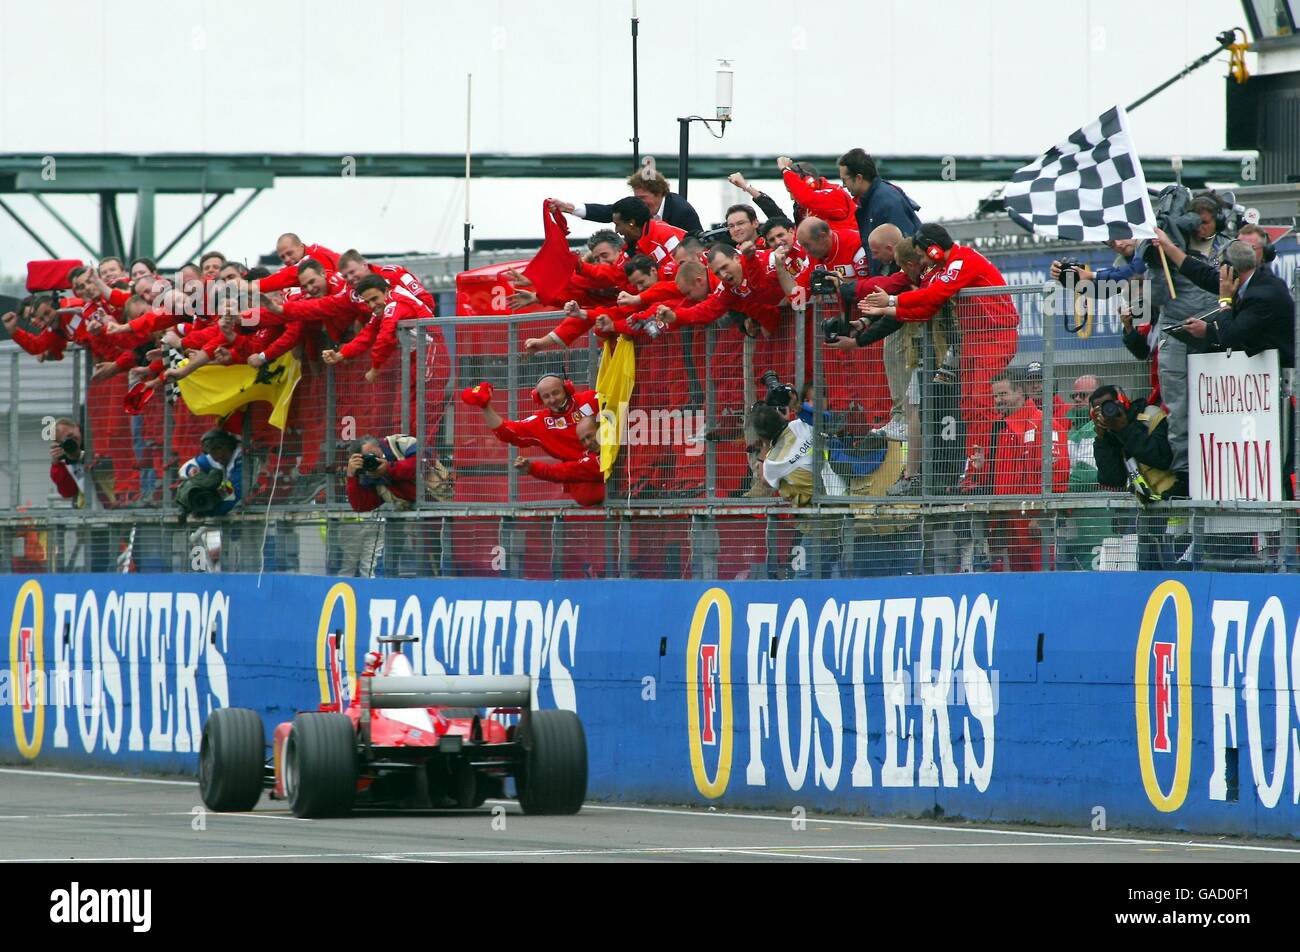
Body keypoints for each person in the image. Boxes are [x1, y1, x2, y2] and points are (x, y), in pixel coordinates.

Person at [857, 222, 1019, 493]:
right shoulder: (942, 270)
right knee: (970, 406)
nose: (920, 262)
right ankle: (975, 473)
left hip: (994, 336)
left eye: (921, 255)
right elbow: (925, 308)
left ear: (932, 249)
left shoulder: (962, 260)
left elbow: (933, 295)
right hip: (974, 339)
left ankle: (987, 474)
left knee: (981, 405)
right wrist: (886, 311)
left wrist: (892, 302)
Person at [460, 374, 602, 505]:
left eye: (556, 393)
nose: (552, 399)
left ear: (567, 389)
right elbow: (506, 432)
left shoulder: (590, 399)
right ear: (538, 399)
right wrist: (485, 406)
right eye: (546, 396)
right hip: (585, 479)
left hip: (615, 463)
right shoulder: (540, 422)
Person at [1090, 384, 1183, 570]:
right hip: (1146, 509)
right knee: (1147, 567)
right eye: (1099, 410)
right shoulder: (1111, 434)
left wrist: (1124, 429)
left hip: (1175, 505)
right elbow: (1112, 478)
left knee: (1177, 567)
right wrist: (1102, 439)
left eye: (1109, 405)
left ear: (1122, 400)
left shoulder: (1151, 415)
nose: (1107, 413)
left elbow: (1162, 457)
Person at [342, 433, 423, 576]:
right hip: (408, 517)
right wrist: (351, 476)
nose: (372, 460)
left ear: (380, 445)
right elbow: (361, 505)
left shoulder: (400, 443)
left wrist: (389, 469)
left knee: (433, 556)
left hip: (436, 504)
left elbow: (421, 463)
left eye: (373, 454)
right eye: (366, 458)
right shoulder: (370, 475)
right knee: (389, 561)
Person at [837, 148, 922, 275]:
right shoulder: (871, 201)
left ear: (859, 178)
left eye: (845, 180)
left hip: (898, 284)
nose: (843, 185)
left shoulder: (886, 202)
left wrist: (890, 284)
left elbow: (906, 248)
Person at [551, 166, 703, 234]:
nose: (639, 203)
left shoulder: (681, 211)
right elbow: (609, 212)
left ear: (658, 193)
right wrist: (567, 208)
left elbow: (698, 242)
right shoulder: (640, 206)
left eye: (643, 198)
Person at [512, 414, 605, 506]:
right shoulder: (592, 455)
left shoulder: (604, 456)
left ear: (601, 429)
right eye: (583, 441)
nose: (588, 443)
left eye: (589, 436)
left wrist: (532, 468)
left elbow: (565, 471)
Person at [776, 156, 858, 238]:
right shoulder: (804, 207)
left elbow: (807, 198)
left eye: (793, 191)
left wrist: (785, 170)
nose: (792, 198)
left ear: (810, 181)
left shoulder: (835, 193)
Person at [177, 429, 243, 518]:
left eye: (219, 448)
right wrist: (193, 471)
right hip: (230, 510)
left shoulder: (241, 459)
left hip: (250, 505)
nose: (217, 454)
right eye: (212, 451)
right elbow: (185, 467)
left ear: (229, 445)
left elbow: (233, 491)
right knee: (190, 484)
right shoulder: (215, 458)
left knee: (218, 484)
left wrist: (212, 511)